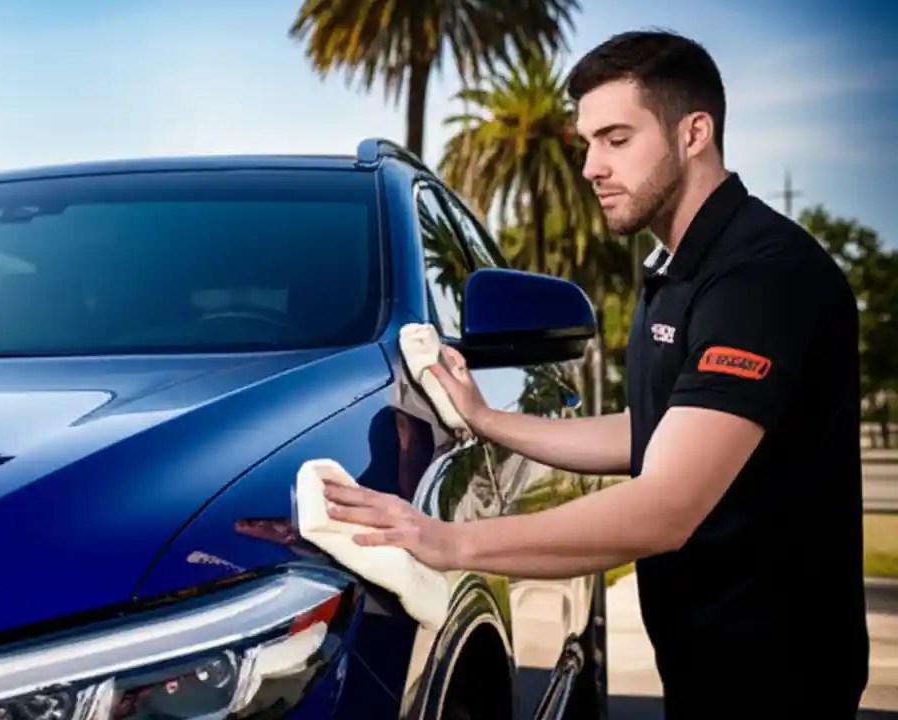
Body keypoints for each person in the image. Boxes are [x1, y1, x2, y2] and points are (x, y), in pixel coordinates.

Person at [321, 29, 869, 718]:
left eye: (616, 138)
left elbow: (665, 506)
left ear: (694, 132)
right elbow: (656, 431)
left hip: (779, 678)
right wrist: (490, 420)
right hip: (708, 666)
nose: (590, 166)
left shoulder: (760, 277)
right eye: (588, 142)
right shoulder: (677, 270)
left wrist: (447, 541)